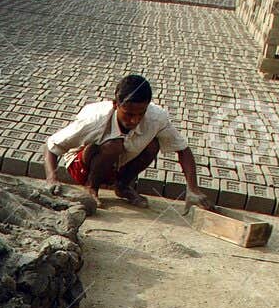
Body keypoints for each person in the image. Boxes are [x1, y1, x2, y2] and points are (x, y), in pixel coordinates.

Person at [43, 73, 208, 211]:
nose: (135, 120)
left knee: (153, 144)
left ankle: (122, 186)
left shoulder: (157, 117)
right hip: (83, 165)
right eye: (129, 114)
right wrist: (52, 178)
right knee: (114, 145)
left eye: (141, 113)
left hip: (117, 164)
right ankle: (91, 187)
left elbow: (183, 149)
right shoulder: (95, 119)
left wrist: (193, 189)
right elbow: (52, 145)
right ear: (116, 104)